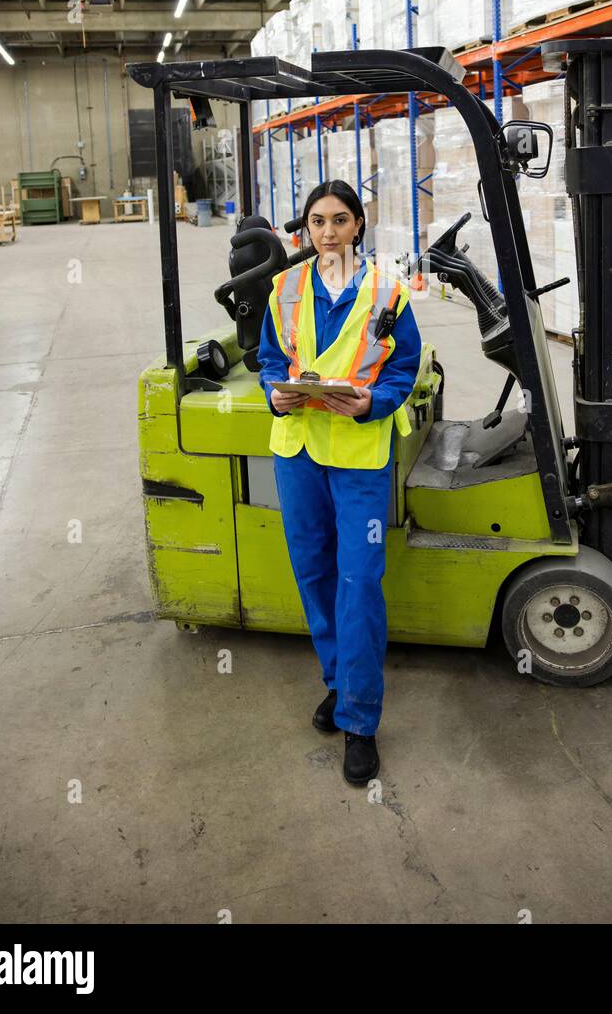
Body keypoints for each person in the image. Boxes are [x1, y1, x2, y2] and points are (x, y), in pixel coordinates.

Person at [257, 179, 423, 786]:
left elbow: (405, 367)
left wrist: (372, 403)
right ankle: (338, 682)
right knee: (315, 573)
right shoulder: (285, 288)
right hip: (297, 449)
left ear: (358, 224)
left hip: (357, 453)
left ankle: (360, 721)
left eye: (339, 220)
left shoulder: (388, 291)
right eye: (316, 221)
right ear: (305, 229)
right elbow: (270, 358)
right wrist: (274, 393)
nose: (327, 232)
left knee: (359, 582)